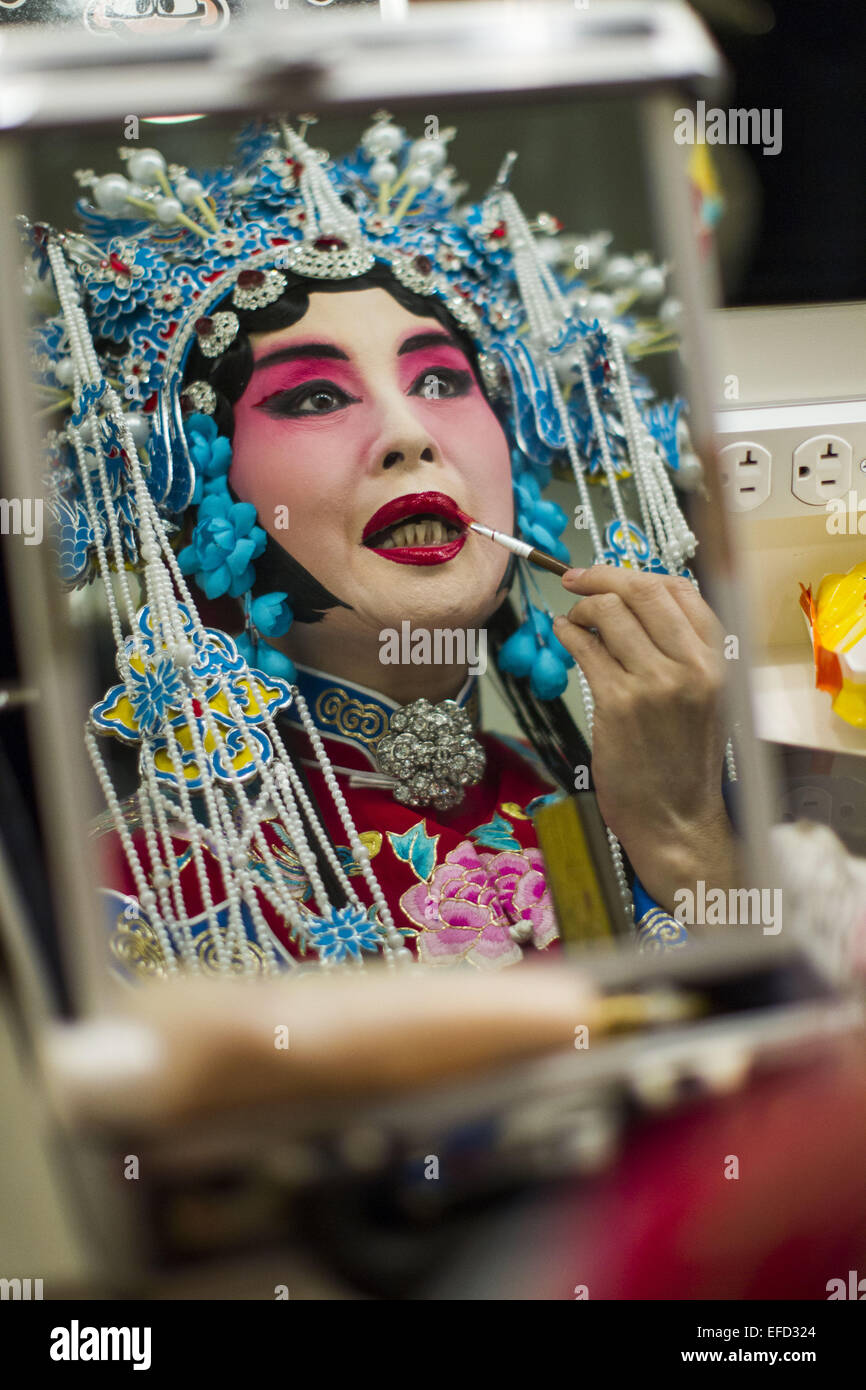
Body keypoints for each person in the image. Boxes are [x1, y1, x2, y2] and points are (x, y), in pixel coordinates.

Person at [25, 114, 737, 978]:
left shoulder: (617, 787)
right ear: (202, 487)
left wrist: (686, 830)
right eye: (315, 398)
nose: (407, 435)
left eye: (440, 380)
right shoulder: (153, 890)